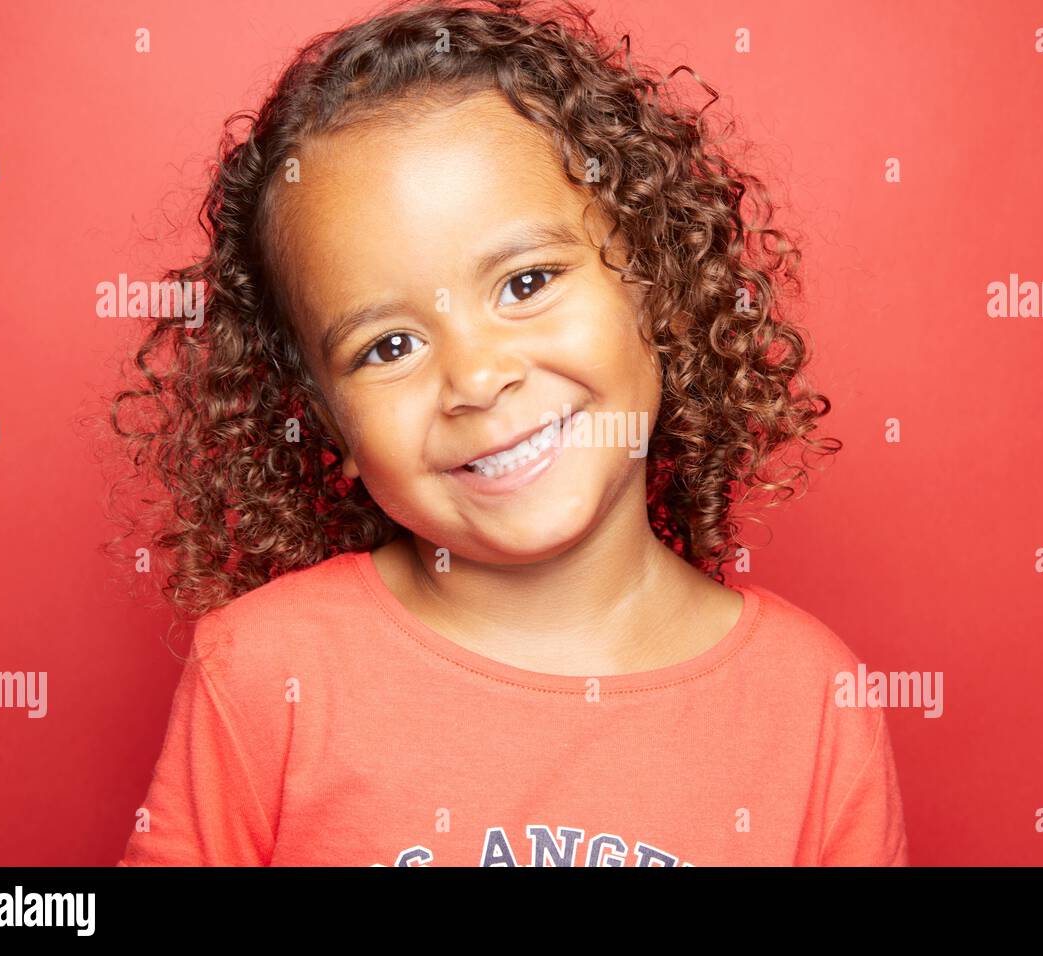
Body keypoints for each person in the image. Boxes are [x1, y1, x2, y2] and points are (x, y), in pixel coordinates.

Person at [110, 0, 907, 866]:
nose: (477, 378)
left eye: (527, 283)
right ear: (326, 419)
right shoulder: (268, 671)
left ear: (658, 281)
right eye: (390, 345)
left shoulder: (807, 703)